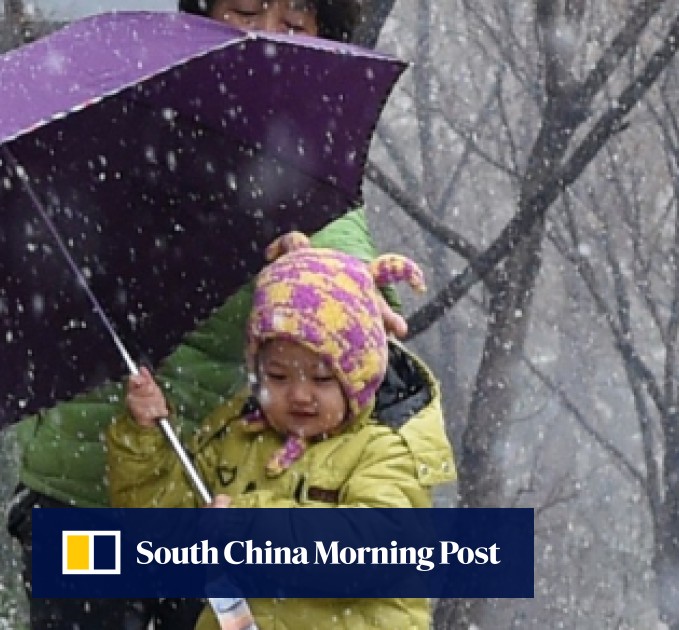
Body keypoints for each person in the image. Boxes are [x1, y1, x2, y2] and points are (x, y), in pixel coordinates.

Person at [6, 1, 455, 628]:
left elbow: (334, 251)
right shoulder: (107, 144)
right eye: (244, 11)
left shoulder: (295, 169)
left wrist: (340, 288)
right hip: (79, 492)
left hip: (220, 499)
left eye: (294, 25)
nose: (265, 37)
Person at [109, 233, 447, 629]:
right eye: (278, 376)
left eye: (321, 379)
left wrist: (246, 526)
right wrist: (146, 438)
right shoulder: (237, 436)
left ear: (359, 377)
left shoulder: (385, 447)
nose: (300, 395)